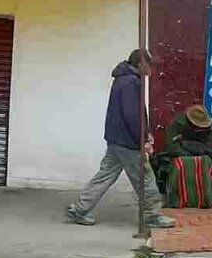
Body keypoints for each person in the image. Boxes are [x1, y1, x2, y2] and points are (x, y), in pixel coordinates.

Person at [66, 49, 175, 228]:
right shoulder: (131, 82)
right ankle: (153, 216)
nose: (151, 70)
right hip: (128, 142)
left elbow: (134, 113)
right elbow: (132, 115)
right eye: (149, 66)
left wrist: (146, 132)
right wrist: (143, 140)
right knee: (145, 178)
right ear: (140, 65)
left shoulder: (122, 79)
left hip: (116, 139)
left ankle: (79, 209)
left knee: (105, 175)